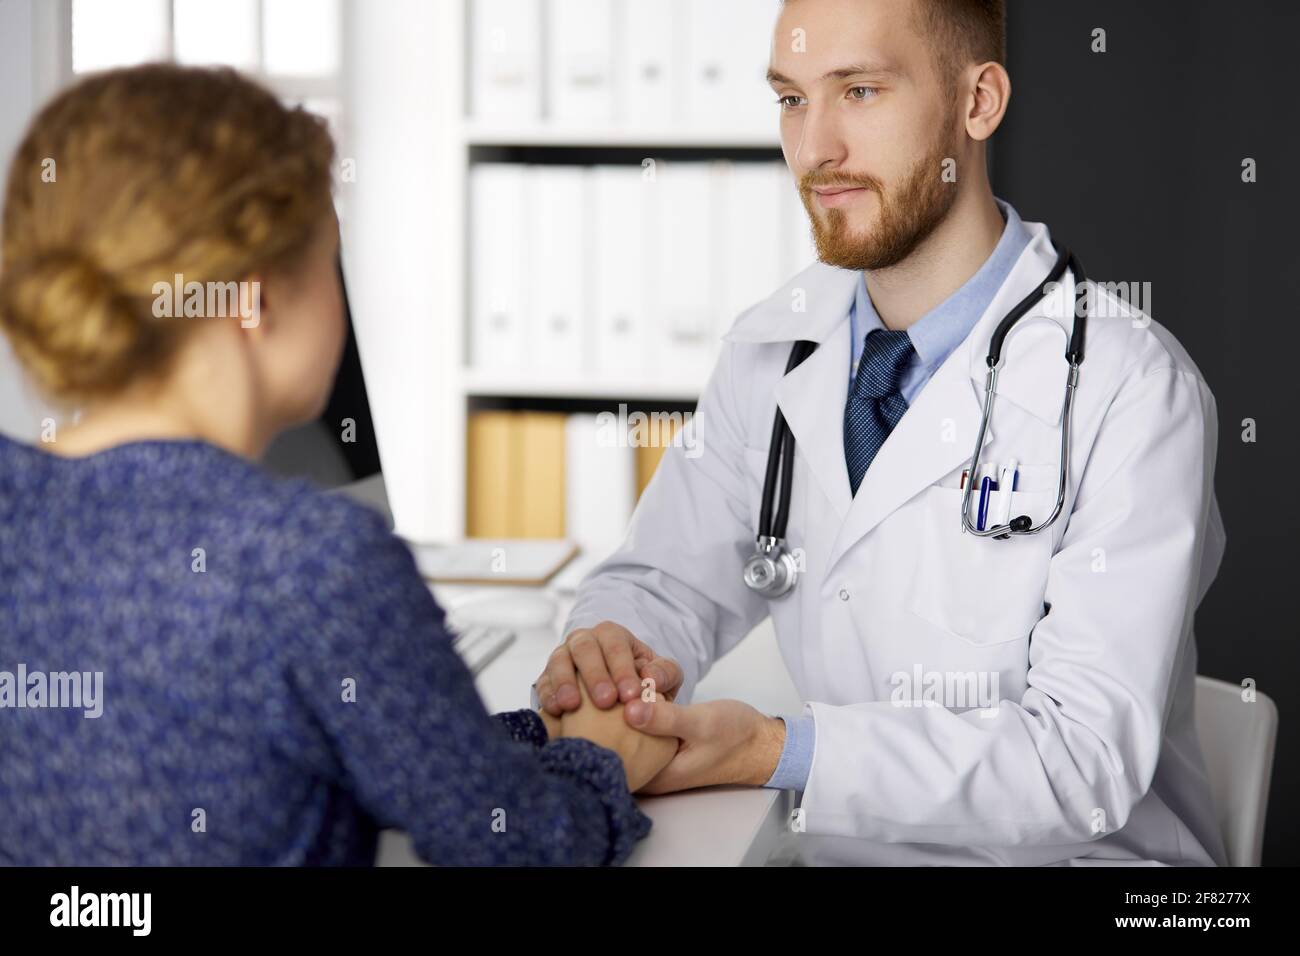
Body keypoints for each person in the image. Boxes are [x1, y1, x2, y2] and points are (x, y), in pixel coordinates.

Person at [534, 0, 1228, 866]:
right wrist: (607, 654)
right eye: (791, 99)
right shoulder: (774, 351)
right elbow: (665, 585)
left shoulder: (1130, 388)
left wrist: (775, 751)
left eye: (858, 91)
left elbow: (1080, 763)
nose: (814, 148)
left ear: (979, 102)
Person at [0, 63, 673, 866]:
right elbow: (521, 843)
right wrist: (600, 760)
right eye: (329, 258)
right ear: (256, 300)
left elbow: (335, 750)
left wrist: (527, 737)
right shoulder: (313, 561)